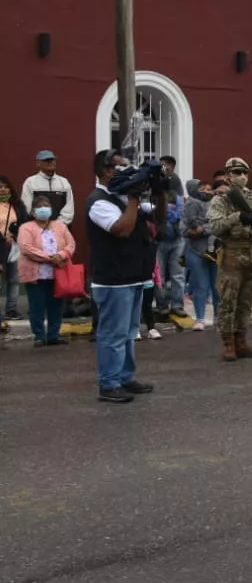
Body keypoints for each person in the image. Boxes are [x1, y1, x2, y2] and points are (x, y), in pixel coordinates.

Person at [85, 149, 159, 402]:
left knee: (128, 333)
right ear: (106, 171)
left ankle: (125, 378)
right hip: (113, 280)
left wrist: (159, 187)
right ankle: (109, 384)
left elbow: (158, 218)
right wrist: (134, 197)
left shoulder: (122, 197)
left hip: (134, 276)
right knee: (113, 335)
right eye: (121, 167)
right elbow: (122, 230)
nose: (128, 171)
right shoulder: (99, 201)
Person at [208, 158, 252, 362]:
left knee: (246, 300)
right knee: (228, 300)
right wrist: (237, 218)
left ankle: (241, 340)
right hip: (232, 253)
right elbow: (215, 227)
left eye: (244, 172)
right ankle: (228, 343)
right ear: (228, 175)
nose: (241, 176)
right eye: (236, 172)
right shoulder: (221, 200)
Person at [17, 191, 74, 346]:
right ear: (33, 211)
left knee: (56, 306)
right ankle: (39, 336)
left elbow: (71, 244)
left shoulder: (60, 226)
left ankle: (53, 335)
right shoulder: (26, 228)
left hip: (58, 274)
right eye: (40, 207)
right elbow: (26, 248)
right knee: (37, 306)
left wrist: (61, 255)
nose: (44, 209)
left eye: (47, 206)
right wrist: (51, 258)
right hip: (36, 275)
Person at [183, 175, 222, 331]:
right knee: (201, 286)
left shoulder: (217, 204)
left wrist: (203, 229)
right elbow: (183, 229)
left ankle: (219, 317)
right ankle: (200, 318)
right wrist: (194, 231)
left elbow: (219, 225)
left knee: (217, 286)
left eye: (208, 189)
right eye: (201, 189)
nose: (206, 192)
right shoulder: (189, 206)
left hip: (216, 251)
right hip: (195, 250)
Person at [152, 155, 187, 318]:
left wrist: (167, 213)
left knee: (178, 274)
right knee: (159, 276)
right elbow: (151, 209)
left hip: (177, 239)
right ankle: (162, 306)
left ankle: (178, 305)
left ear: (172, 167)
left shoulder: (176, 182)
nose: (163, 169)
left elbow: (180, 208)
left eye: (166, 166)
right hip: (158, 240)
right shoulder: (152, 183)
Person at [22, 149, 74, 226]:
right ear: (38, 163)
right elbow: (27, 207)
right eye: (46, 160)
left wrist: (56, 225)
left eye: (52, 160)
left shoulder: (64, 182)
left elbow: (69, 208)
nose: (50, 162)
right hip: (37, 228)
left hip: (61, 228)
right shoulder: (30, 182)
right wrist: (42, 224)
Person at [0, 175, 20, 321]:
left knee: (14, 279)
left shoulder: (17, 206)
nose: (3, 190)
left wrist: (15, 234)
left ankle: (11, 310)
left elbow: (24, 225)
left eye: (5, 187)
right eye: (0, 187)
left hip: (13, 247)